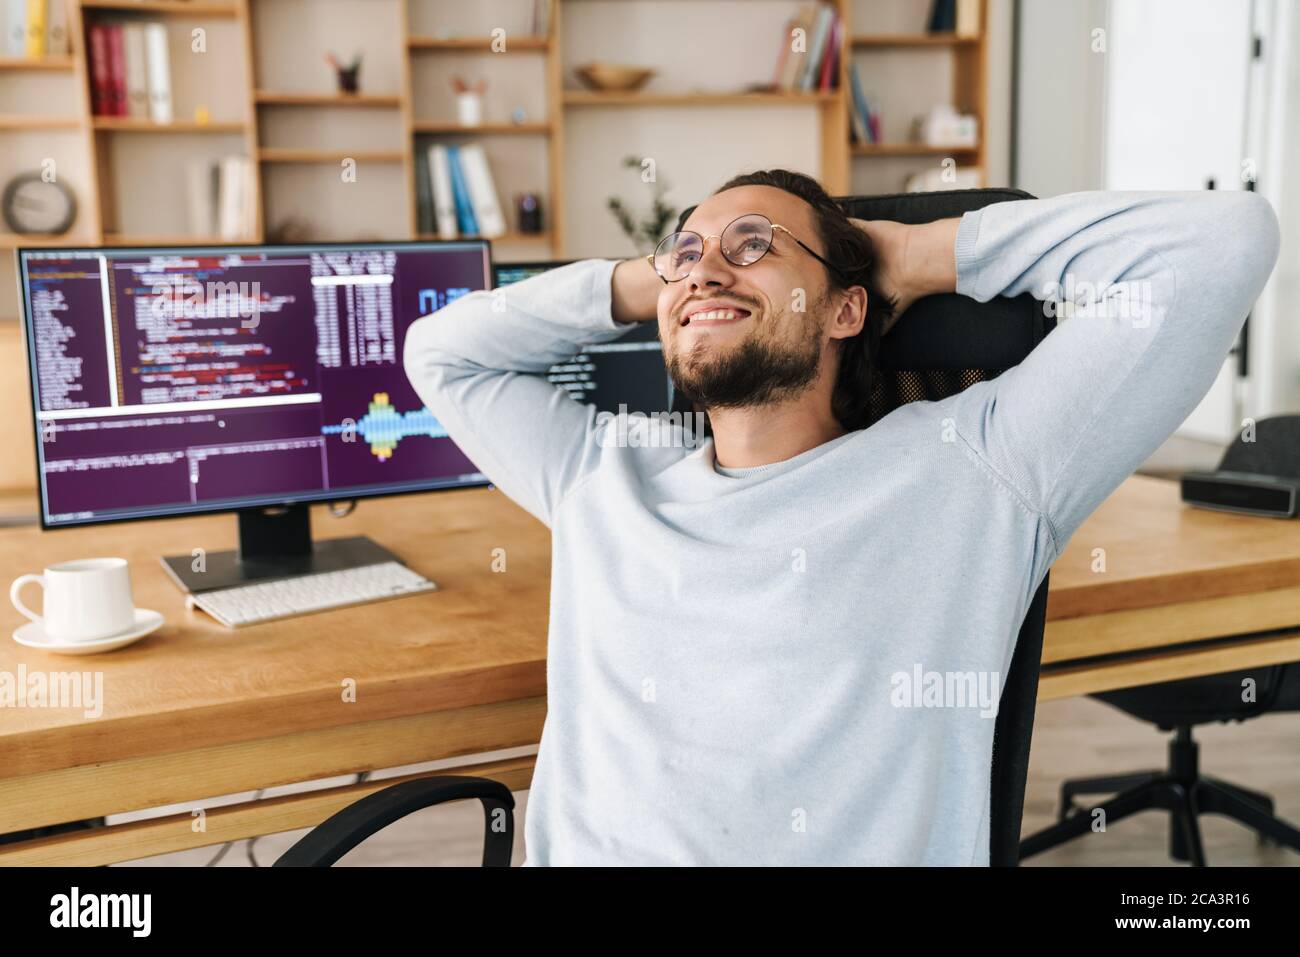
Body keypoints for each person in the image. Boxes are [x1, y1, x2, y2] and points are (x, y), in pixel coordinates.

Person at [403, 168, 1280, 865]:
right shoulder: (600, 473)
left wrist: (924, 253)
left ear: (845, 308)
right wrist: (653, 284)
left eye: (754, 245)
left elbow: (1224, 243)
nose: (708, 265)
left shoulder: (979, 468)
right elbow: (439, 352)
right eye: (687, 249)